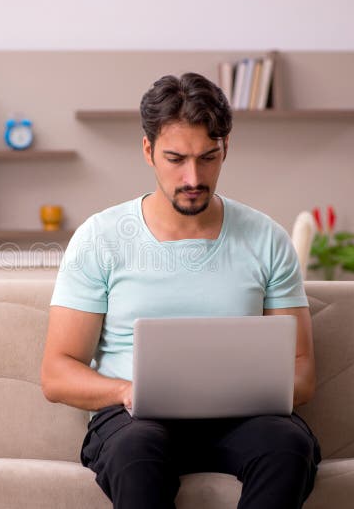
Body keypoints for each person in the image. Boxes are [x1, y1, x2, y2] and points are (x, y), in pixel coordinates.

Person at [40, 72, 321, 509]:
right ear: (148, 150)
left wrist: (249, 390)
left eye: (208, 158)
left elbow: (302, 369)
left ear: (226, 148)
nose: (194, 177)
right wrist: (124, 391)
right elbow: (57, 372)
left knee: (287, 446)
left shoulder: (267, 238)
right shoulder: (101, 237)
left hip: (245, 419)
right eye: (176, 159)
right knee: (136, 454)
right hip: (136, 419)